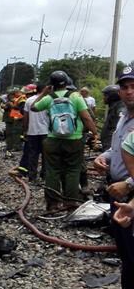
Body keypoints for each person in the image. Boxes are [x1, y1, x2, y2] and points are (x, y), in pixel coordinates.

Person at [94, 67, 134, 289]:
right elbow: (115, 147)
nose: (129, 91)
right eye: (125, 86)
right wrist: (104, 158)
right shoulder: (123, 117)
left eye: (133, 86)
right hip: (117, 191)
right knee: (125, 252)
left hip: (129, 192)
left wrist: (128, 183)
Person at [31, 70, 99, 211]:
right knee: (72, 170)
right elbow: (86, 117)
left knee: (52, 171)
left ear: (52, 85)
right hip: (74, 140)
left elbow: (33, 107)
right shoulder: (75, 97)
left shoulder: (49, 98)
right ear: (67, 82)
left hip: (53, 140)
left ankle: (53, 204)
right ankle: (71, 202)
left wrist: (43, 93)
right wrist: (95, 133)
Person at [15, 83, 47, 181]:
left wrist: (25, 130)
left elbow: (26, 117)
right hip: (46, 132)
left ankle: (32, 176)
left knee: (33, 154)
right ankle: (44, 175)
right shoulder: (48, 100)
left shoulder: (29, 100)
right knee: (46, 155)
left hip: (32, 131)